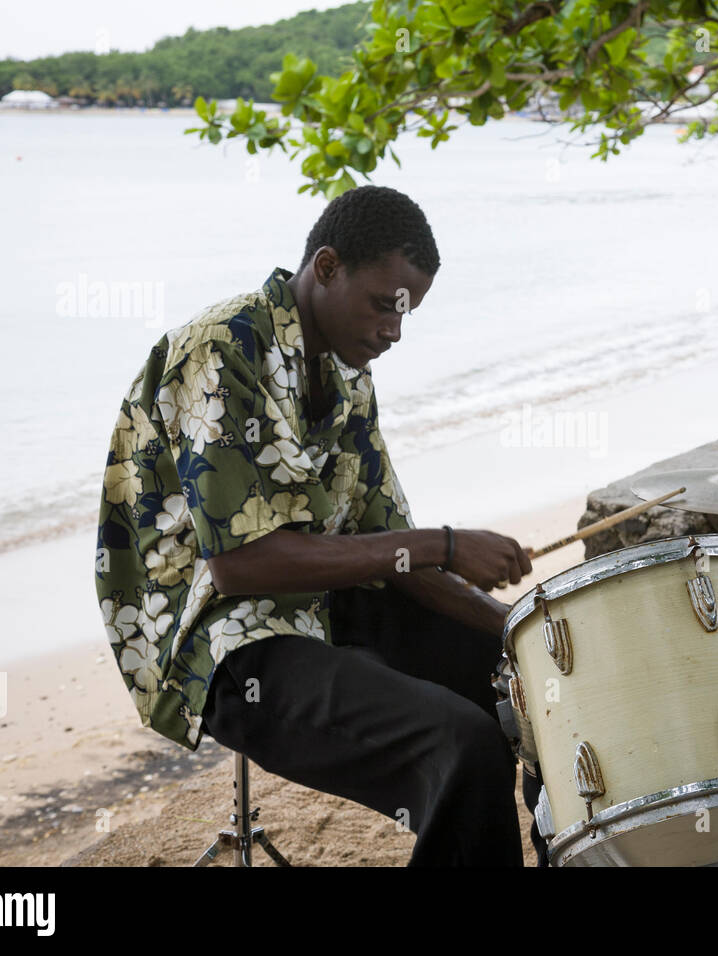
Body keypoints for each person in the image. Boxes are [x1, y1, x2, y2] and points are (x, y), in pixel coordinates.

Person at [94, 185, 542, 866]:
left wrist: (525, 626)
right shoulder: (222, 349)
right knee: (461, 743)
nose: (395, 330)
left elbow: (395, 555)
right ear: (326, 267)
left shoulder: (348, 372)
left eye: (407, 314)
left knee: (536, 687)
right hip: (224, 641)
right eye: (384, 305)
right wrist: (446, 543)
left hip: (328, 611)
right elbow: (244, 565)